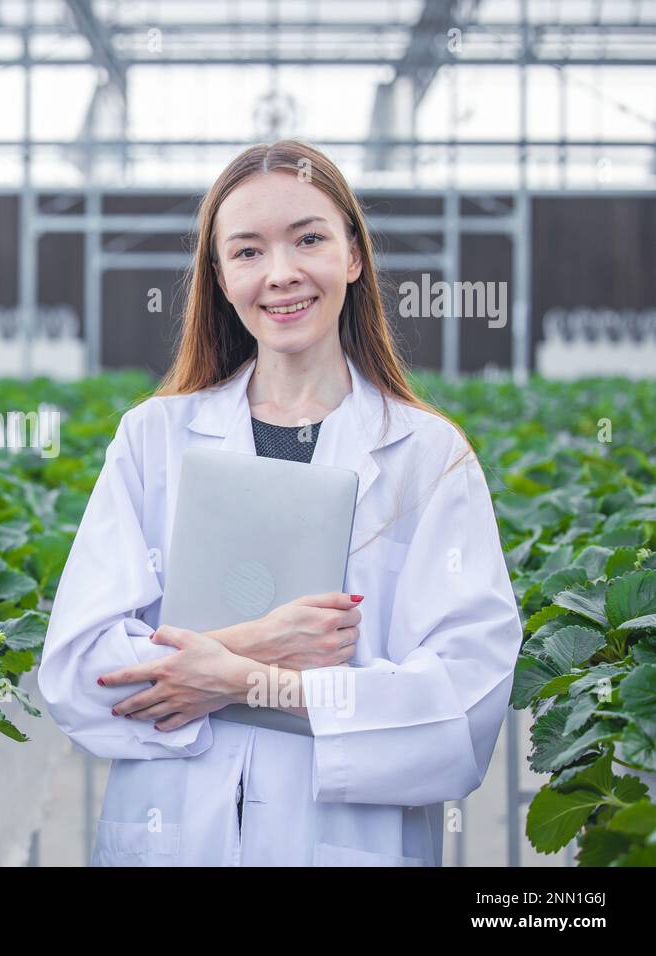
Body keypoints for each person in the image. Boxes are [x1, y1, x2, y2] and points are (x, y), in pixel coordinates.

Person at [37, 139, 524, 867]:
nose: (282, 274)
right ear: (222, 276)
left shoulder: (428, 457)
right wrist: (261, 643)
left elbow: (462, 709)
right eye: (248, 252)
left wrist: (238, 682)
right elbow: (78, 675)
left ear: (353, 256)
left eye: (308, 239)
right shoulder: (154, 438)